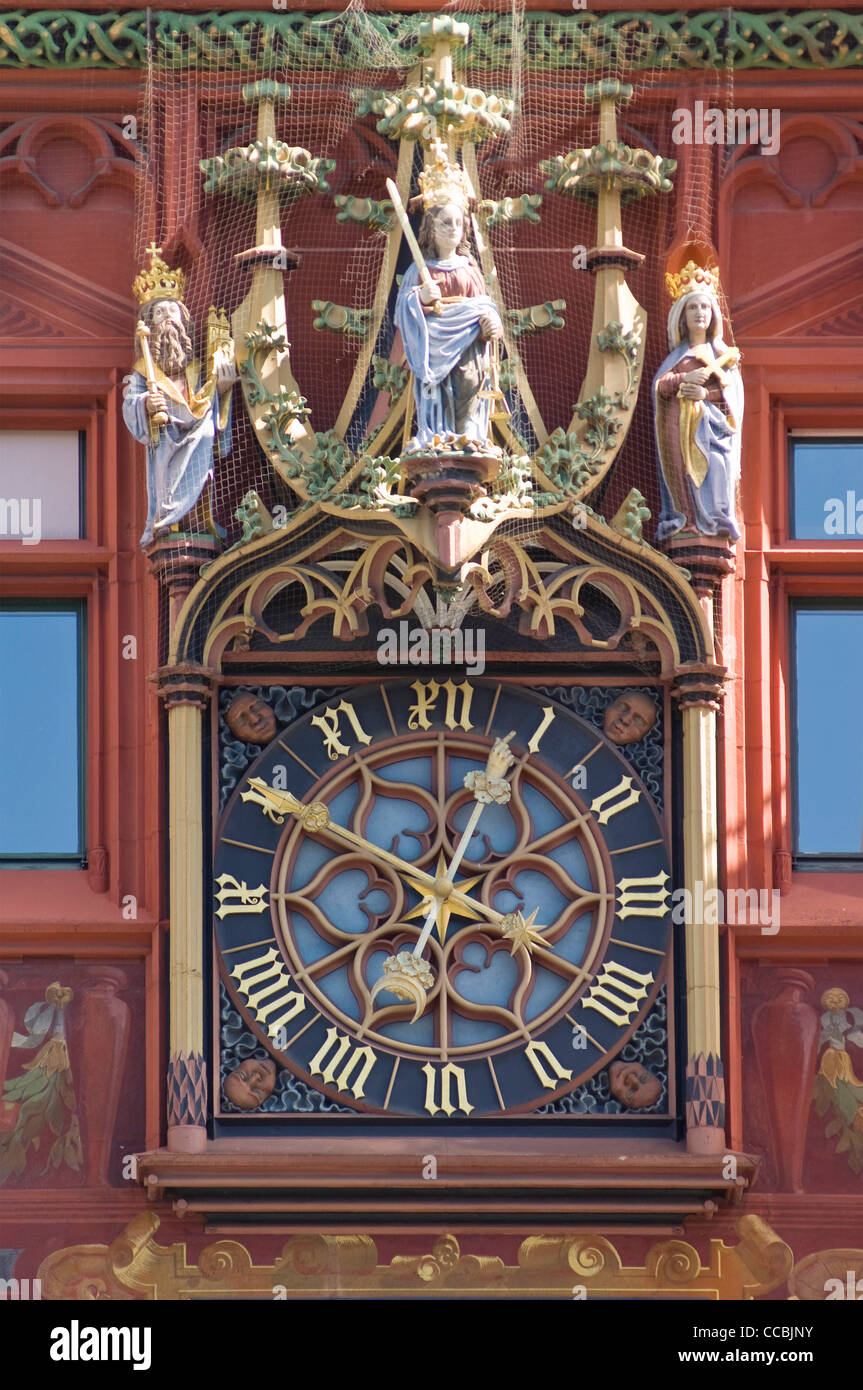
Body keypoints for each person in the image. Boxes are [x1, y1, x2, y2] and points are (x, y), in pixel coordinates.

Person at [122, 249, 236, 547]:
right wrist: (145, 404)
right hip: (165, 439)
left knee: (205, 430)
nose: (167, 318)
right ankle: (167, 517)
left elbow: (209, 402)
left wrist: (222, 390)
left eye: (172, 311)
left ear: (183, 320)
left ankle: (198, 519)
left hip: (198, 429)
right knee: (165, 460)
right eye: (159, 313)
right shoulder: (142, 372)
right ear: (149, 323)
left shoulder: (197, 369)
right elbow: (129, 402)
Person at [394, 199, 502, 452]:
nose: (453, 228)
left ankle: (468, 435)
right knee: (439, 391)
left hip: (469, 344)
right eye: (445, 223)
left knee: (469, 383)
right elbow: (402, 313)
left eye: (458, 223)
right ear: (431, 229)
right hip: (433, 348)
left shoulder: (470, 269)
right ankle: (438, 435)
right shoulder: (418, 272)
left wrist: (491, 323)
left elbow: (485, 305)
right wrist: (420, 298)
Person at [653, 264, 743, 542]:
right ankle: (687, 519)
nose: (700, 313)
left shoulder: (723, 356)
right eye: (693, 307)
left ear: (713, 314)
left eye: (705, 307)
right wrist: (684, 378)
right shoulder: (677, 356)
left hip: (713, 430)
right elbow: (660, 387)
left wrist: (706, 395)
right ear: (682, 315)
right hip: (678, 427)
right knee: (682, 471)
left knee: (715, 465)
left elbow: (732, 400)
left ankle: (714, 522)